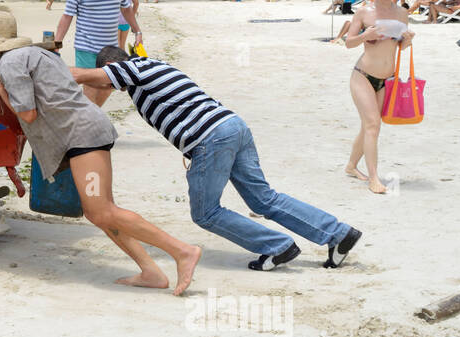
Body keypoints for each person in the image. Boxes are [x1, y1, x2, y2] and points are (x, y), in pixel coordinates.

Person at [75, 47, 362, 271]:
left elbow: (93, 78)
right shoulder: (154, 68)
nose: (109, 89)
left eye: (110, 82)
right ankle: (338, 233)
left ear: (113, 68)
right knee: (264, 199)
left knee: (206, 213)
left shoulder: (133, 68)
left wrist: (55, 72)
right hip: (232, 126)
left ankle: (278, 246)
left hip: (211, 139)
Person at [0, 34, 202, 295]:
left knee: (102, 211)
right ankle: (150, 271)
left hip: (82, 135)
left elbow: (27, 114)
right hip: (86, 130)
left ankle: (182, 252)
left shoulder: (10, 63)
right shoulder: (39, 54)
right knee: (100, 213)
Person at [344, 0, 413, 195]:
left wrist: (408, 40)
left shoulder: (403, 14)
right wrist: (365, 36)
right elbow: (349, 42)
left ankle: (351, 166)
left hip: (387, 80)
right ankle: (374, 178)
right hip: (362, 76)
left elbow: (399, 46)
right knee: (373, 124)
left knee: (369, 126)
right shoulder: (364, 12)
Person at [54, 0, 141, 105]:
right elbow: (67, 16)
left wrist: (137, 31)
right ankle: (88, 121)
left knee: (109, 86)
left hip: (110, 49)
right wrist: (57, 44)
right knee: (90, 89)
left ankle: (91, 115)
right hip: (86, 46)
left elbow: (126, 8)